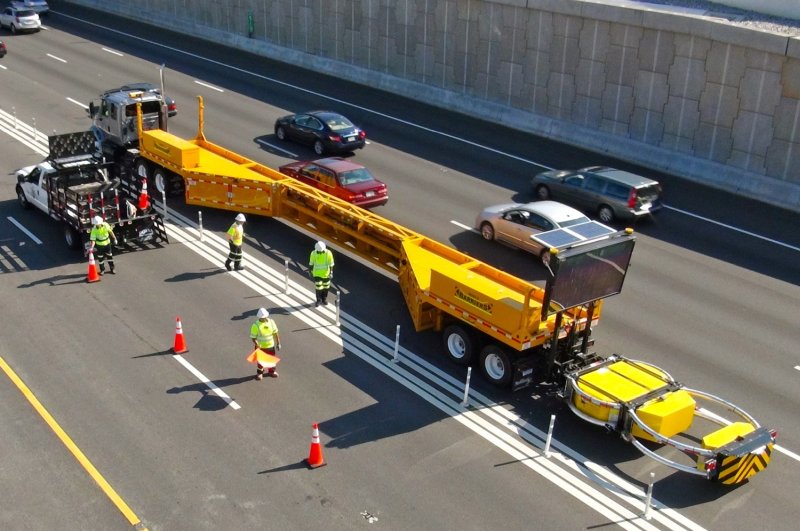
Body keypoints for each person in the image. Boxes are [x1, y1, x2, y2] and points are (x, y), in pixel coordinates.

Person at [250, 308, 281, 380]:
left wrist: (278, 343)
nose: (264, 318)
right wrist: (257, 344)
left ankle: (271, 372)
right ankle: (260, 373)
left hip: (271, 345)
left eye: (265, 317)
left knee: (271, 360)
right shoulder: (256, 325)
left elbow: (275, 333)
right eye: (263, 317)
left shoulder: (271, 322)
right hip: (261, 347)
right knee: (261, 361)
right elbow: (253, 337)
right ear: (260, 317)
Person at [309, 240, 334, 307]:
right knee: (319, 288)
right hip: (317, 274)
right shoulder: (313, 253)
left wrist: (331, 272)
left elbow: (331, 264)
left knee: (326, 287)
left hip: (326, 274)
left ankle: (324, 299)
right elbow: (311, 263)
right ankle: (318, 300)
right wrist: (310, 271)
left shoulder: (328, 253)